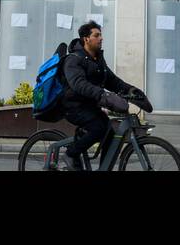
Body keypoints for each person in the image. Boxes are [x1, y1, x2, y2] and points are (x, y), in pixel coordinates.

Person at [58, 22, 141, 170]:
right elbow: (78, 84)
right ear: (86, 39)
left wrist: (132, 91)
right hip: (72, 106)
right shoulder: (74, 59)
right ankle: (71, 154)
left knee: (110, 133)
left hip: (89, 106)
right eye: (96, 35)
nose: (101, 38)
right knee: (99, 128)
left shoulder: (97, 60)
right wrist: (103, 95)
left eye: (101, 35)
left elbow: (113, 81)